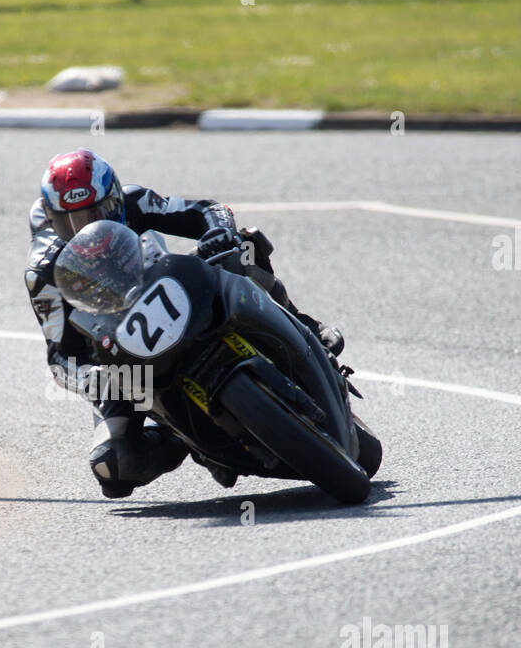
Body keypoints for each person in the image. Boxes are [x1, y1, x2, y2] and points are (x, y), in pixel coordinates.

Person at [24, 148, 345, 498]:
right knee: (112, 466)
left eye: (94, 213)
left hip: (174, 291)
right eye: (67, 221)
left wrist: (218, 233)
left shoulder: (135, 202)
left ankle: (306, 326)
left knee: (246, 247)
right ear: (52, 220)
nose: (83, 228)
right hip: (121, 359)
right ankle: (180, 437)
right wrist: (96, 379)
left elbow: (208, 210)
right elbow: (60, 359)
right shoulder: (44, 272)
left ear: (114, 199)